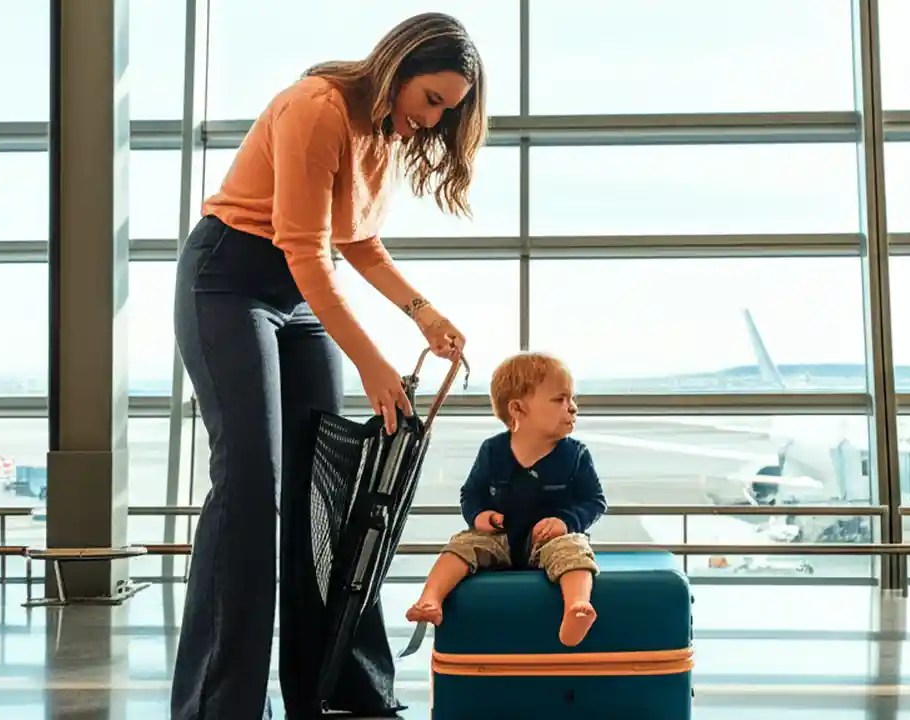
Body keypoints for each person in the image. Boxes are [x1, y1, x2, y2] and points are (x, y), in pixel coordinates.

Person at [169, 13, 486, 720]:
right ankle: (217, 709)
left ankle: (338, 690)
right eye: (431, 100)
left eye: (447, 111)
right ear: (399, 67)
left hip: (297, 295)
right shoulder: (317, 108)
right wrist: (372, 363)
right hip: (229, 279)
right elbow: (307, 252)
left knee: (325, 495)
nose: (433, 121)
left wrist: (422, 312)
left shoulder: (382, 132)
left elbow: (358, 242)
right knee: (252, 491)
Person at [405, 352, 608, 647]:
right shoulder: (492, 451)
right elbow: (471, 493)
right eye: (560, 399)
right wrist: (479, 516)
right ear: (518, 409)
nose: (573, 407)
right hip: (499, 538)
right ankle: (430, 599)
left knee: (575, 550)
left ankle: (577, 607)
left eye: (571, 399)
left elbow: (594, 501)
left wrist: (566, 522)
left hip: (548, 541)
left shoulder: (575, 455)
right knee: (461, 544)